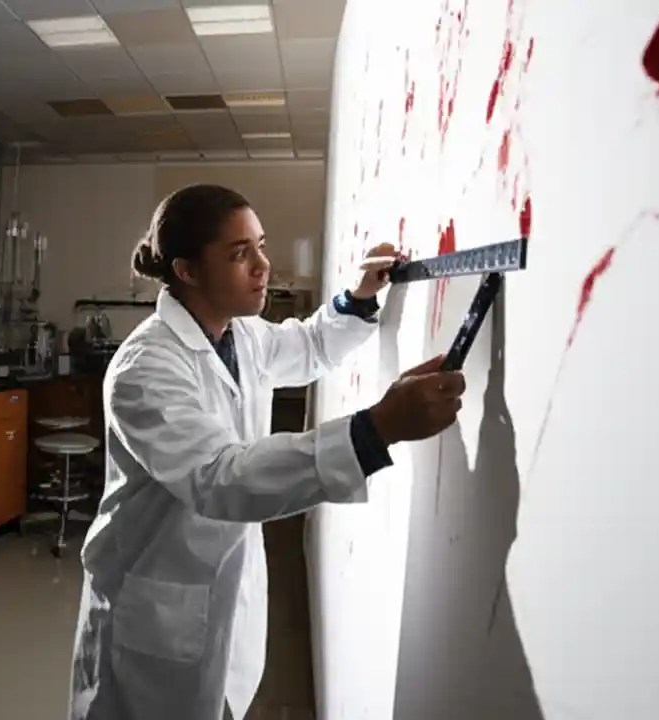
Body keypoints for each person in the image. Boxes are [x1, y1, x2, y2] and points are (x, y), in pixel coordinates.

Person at [68, 185, 465, 720]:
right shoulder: (146, 368)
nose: (263, 266)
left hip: (222, 589)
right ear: (187, 272)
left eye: (260, 245)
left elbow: (306, 347)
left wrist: (360, 298)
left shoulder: (241, 335)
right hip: (152, 604)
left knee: (219, 695)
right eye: (239, 254)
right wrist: (375, 430)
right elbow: (218, 479)